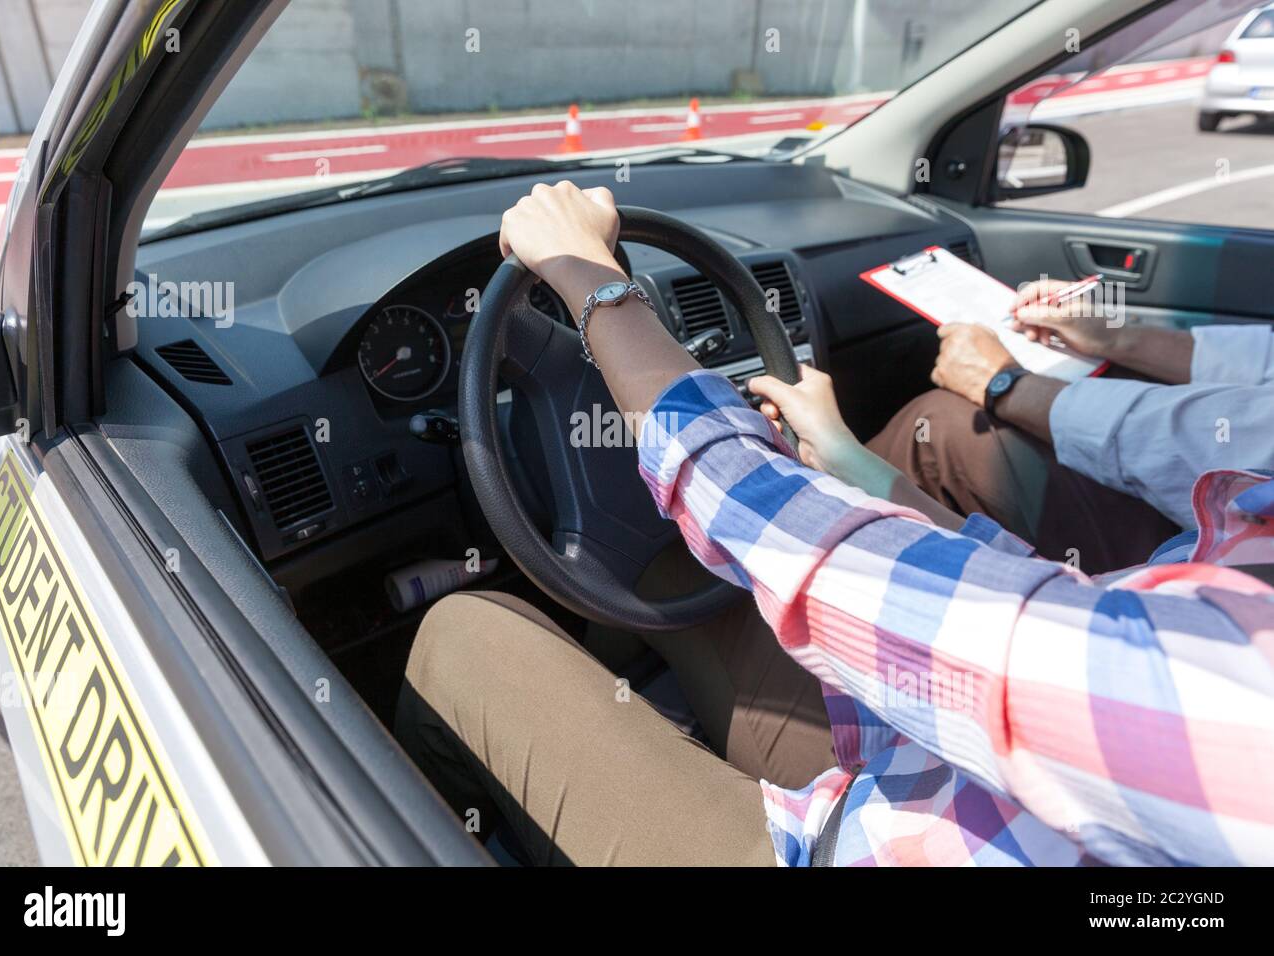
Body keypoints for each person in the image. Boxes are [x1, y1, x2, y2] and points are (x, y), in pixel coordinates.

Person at [398, 181, 1274, 867]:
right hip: (958, 783)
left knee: (462, 635)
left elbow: (739, 494)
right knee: (679, 591)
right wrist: (856, 468)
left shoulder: (1232, 705)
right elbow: (1073, 615)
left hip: (862, 840)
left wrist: (593, 284)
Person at [862, 283, 1274, 573]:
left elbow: (1242, 440)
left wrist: (1004, 385)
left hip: (1224, 573)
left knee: (941, 426)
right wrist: (1118, 339)